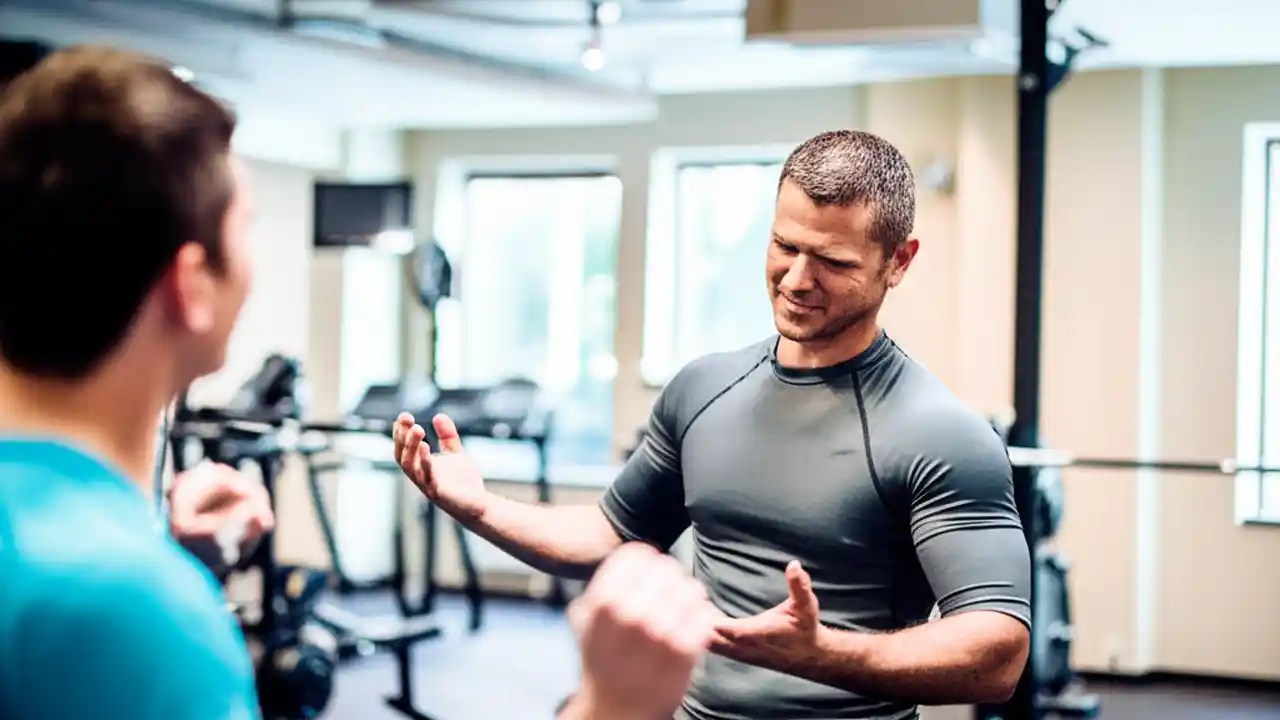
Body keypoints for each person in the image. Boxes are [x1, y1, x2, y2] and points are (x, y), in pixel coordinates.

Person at [0, 44, 717, 720]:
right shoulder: (133, 613)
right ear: (191, 286)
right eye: (246, 229)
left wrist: (168, 555)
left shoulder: (108, 573)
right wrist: (609, 707)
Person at [393, 129, 1033, 719]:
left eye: (834, 262)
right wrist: (476, 505)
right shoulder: (704, 388)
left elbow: (998, 651)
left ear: (899, 261)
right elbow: (608, 534)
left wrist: (824, 654)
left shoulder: (942, 433)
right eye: (786, 245)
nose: (798, 279)